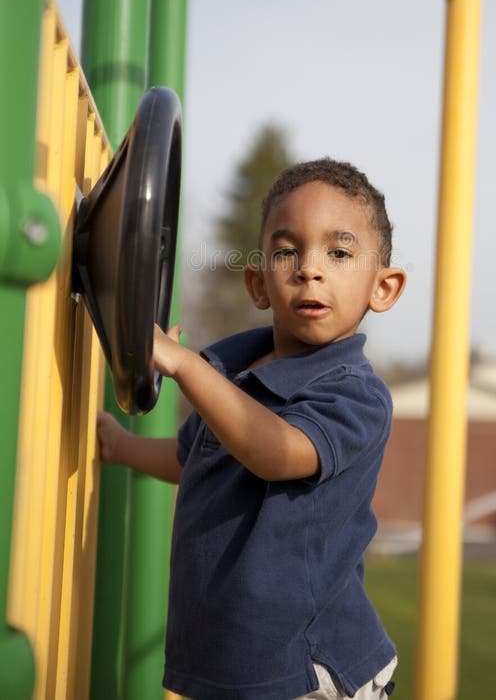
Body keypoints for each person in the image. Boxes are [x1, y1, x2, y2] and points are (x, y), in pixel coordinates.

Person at [97, 158, 406, 700]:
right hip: (234, 658)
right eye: (287, 251)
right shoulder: (239, 372)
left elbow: (277, 452)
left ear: (382, 288)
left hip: (306, 667)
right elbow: (189, 456)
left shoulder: (355, 393)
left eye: (338, 252)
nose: (310, 268)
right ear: (259, 283)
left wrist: (184, 366)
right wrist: (121, 447)